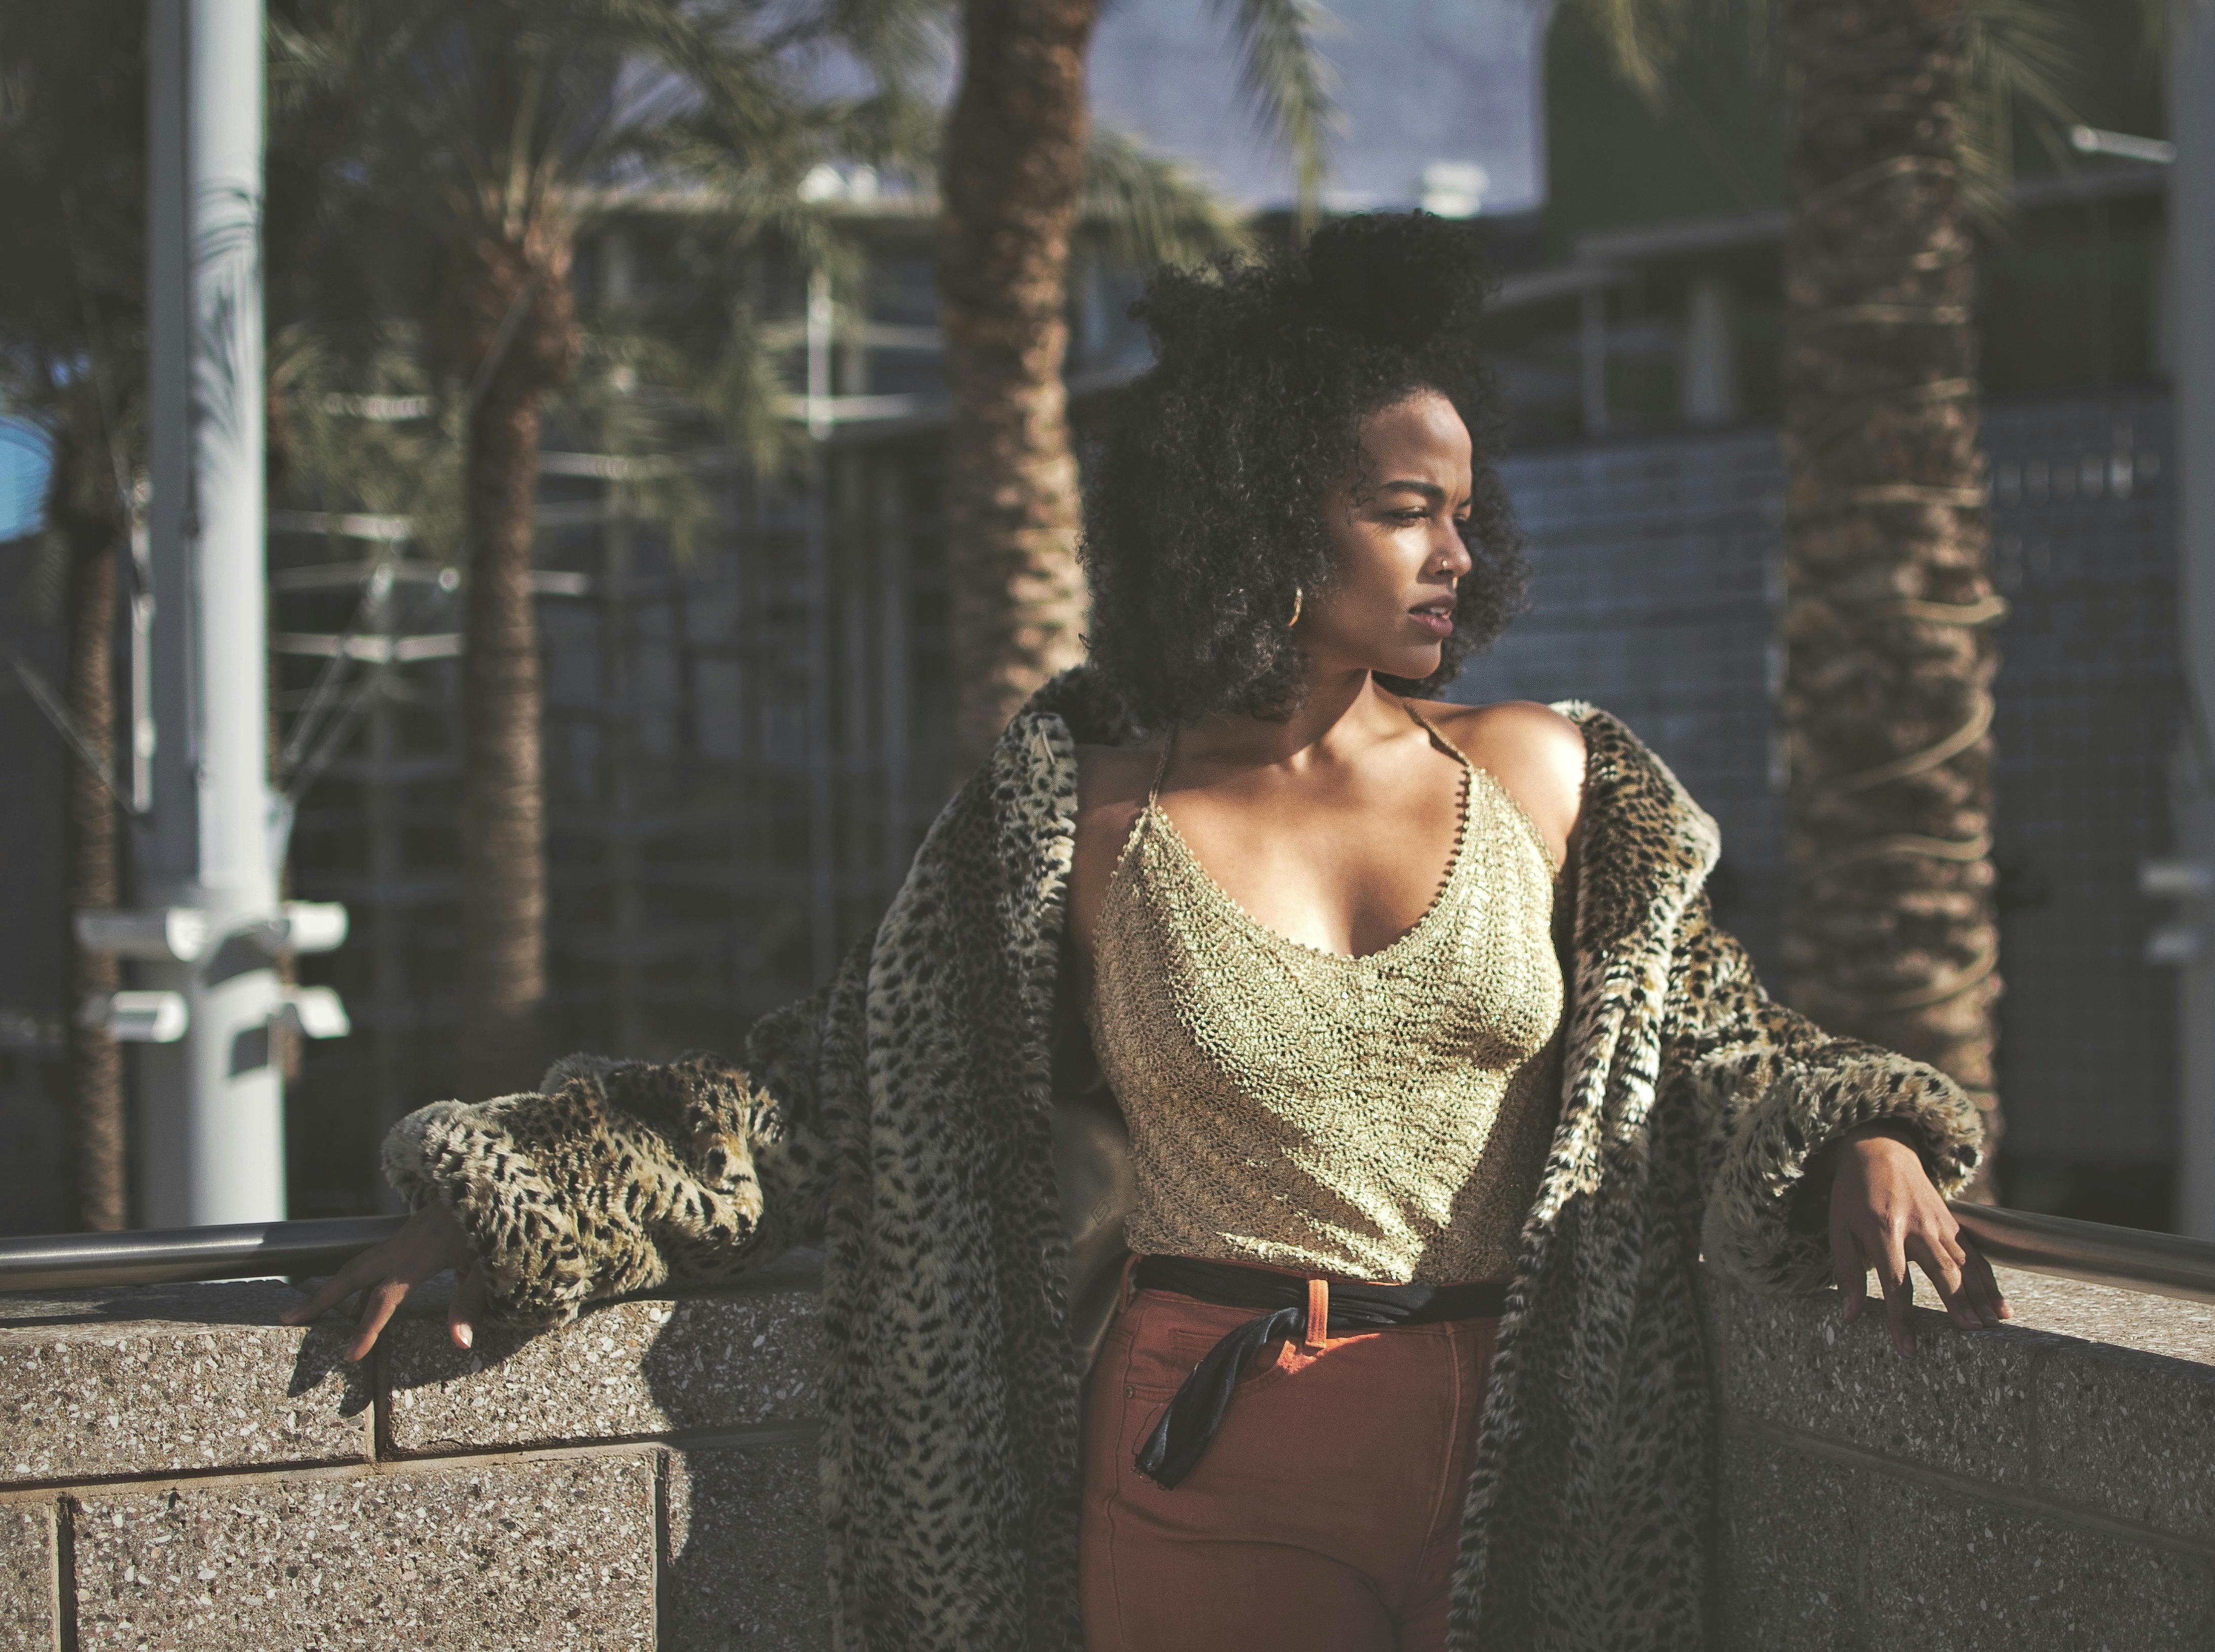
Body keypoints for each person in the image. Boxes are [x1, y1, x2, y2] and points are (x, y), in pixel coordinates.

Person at [285, 211, 2005, 1652]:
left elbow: (1711, 1039)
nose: (1457, 559)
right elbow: (835, 1098)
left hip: (1539, 1441)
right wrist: (520, 1204)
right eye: (1407, 508)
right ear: (1263, 514)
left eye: (1468, 514)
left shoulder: (1553, 777)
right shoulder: (1083, 815)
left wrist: (1859, 1126)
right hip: (1217, 1442)